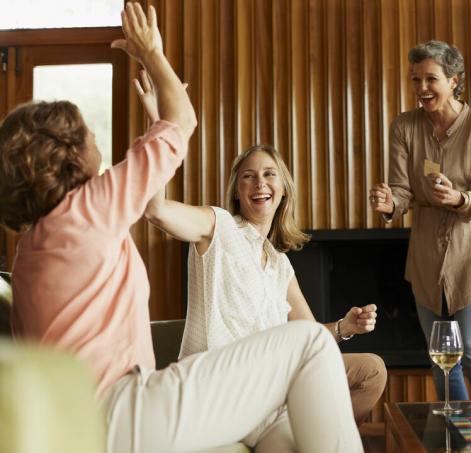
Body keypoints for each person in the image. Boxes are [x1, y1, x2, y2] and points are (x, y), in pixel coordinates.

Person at [0, 3, 362, 453]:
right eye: (90, 135)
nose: (97, 141)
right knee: (308, 343)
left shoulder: (31, 247)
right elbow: (182, 122)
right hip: (117, 413)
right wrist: (151, 51)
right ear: (70, 156)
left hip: (80, 417)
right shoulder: (88, 209)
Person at [138, 80, 387, 448]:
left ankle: (305, 420)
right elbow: (155, 210)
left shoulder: (279, 263)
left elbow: (311, 336)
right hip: (223, 388)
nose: (260, 182)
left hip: (271, 399)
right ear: (238, 192)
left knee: (370, 371)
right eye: (248, 176)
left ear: (282, 187)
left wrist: (345, 327)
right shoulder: (217, 226)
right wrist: (160, 126)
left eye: (269, 174)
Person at [369, 40, 471, 402]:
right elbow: (401, 192)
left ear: (454, 80)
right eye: (415, 80)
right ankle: (458, 441)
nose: (422, 88)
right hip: (427, 257)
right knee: (442, 359)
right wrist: (387, 204)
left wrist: (459, 198)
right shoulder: (404, 127)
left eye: (431, 79)